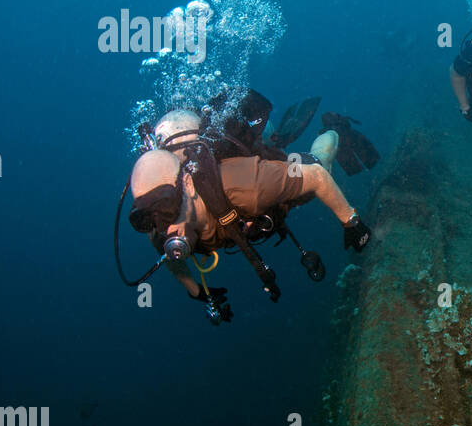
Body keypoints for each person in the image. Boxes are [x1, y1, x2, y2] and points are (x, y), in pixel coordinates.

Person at [121, 88, 372, 322]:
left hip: (259, 178)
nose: (166, 228)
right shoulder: (158, 225)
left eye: (168, 207)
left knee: (319, 163)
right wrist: (196, 290)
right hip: (245, 206)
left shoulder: (243, 187)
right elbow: (169, 256)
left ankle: (334, 128)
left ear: (187, 185)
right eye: (152, 218)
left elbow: (317, 177)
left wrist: (350, 221)